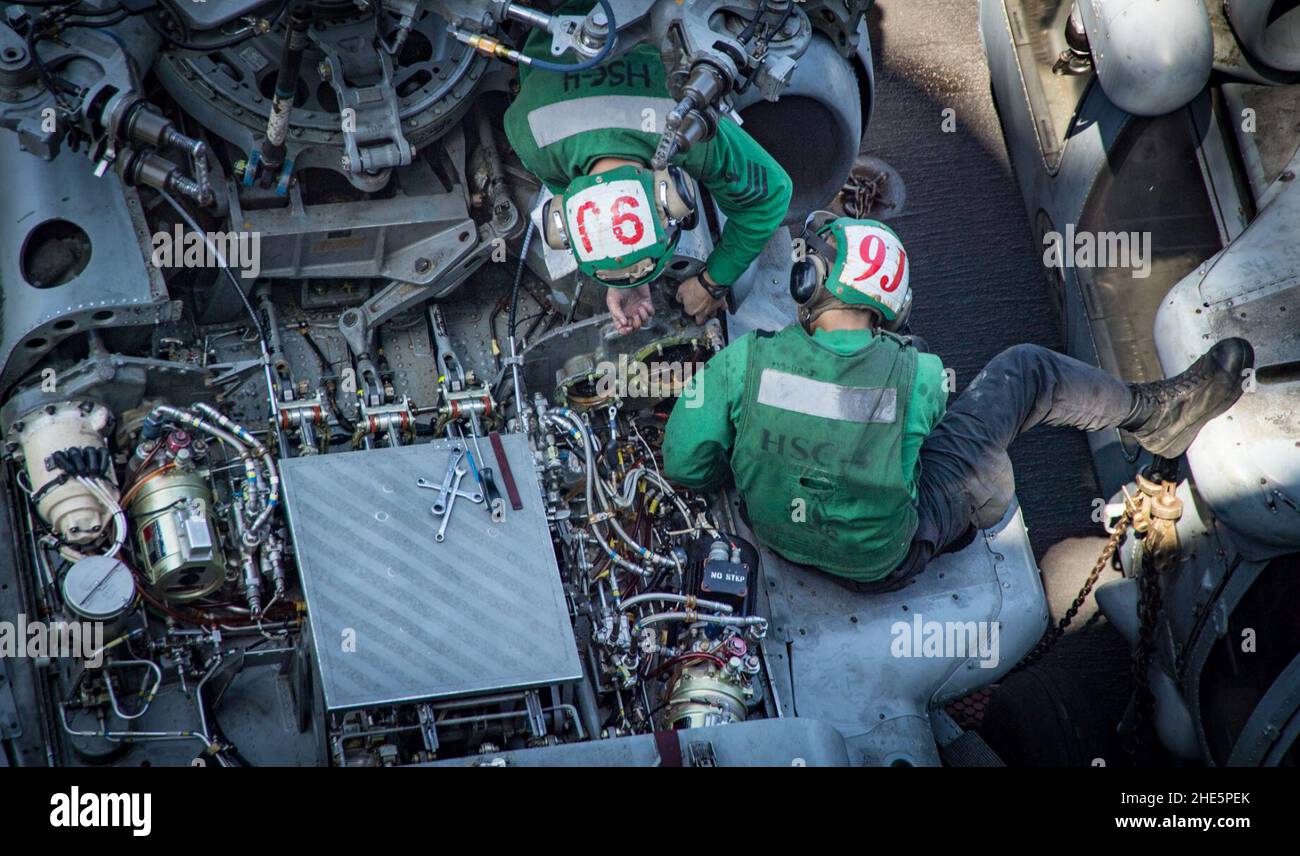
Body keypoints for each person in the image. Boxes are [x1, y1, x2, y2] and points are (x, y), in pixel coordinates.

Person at [662, 214, 1254, 590]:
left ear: (809, 284)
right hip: (882, 566)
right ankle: (1155, 415)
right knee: (1024, 371)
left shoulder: (742, 362)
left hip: (775, 538)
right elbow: (912, 437)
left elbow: (685, 463)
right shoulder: (918, 373)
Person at [502, 1, 792, 335]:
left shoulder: (688, 130)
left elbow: (772, 195)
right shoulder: (527, 134)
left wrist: (713, 282)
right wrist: (623, 273)